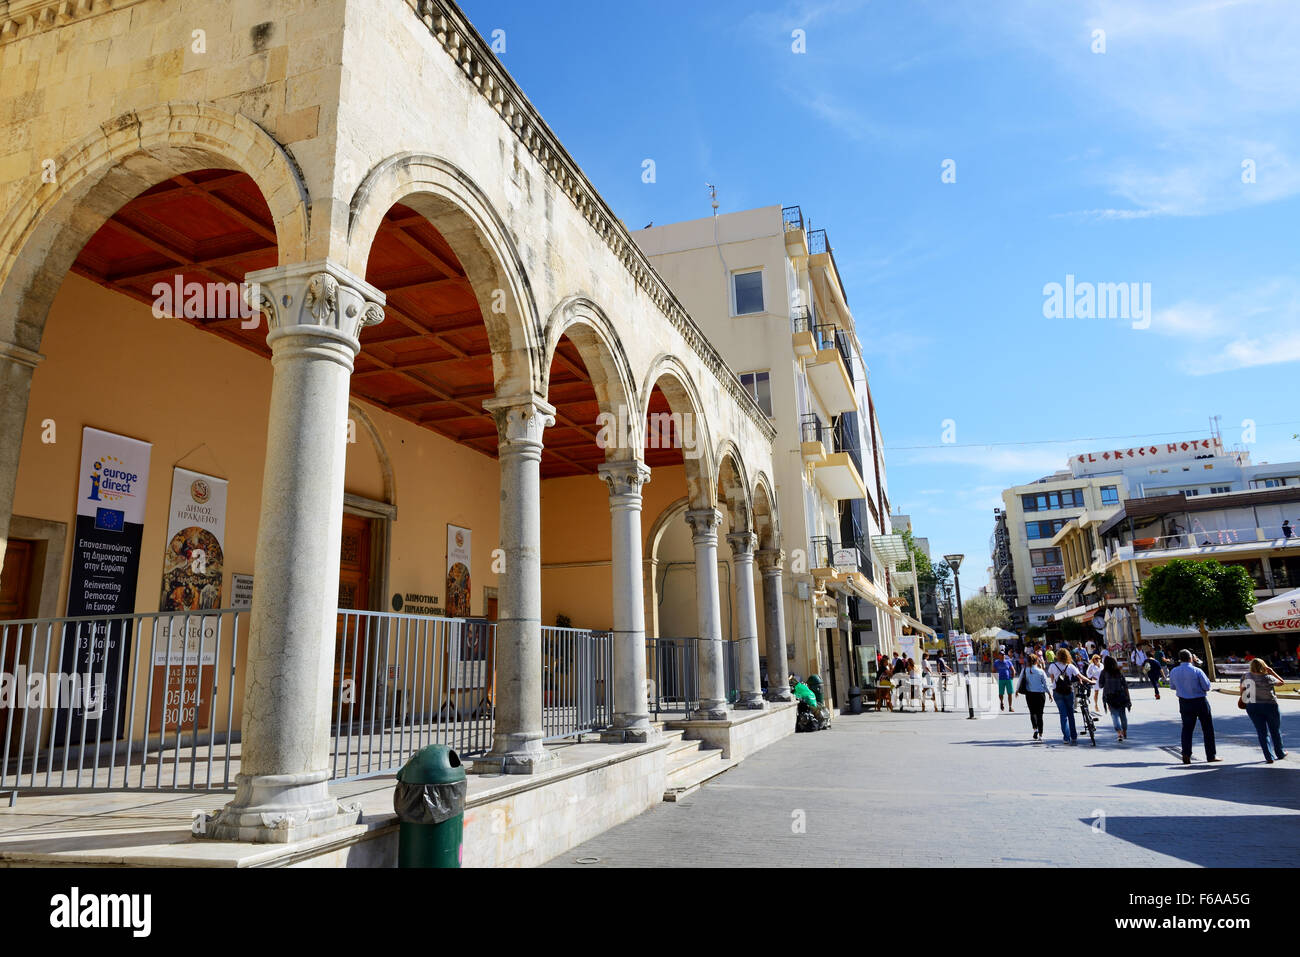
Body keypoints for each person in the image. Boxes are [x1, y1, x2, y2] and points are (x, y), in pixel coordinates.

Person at [1168, 649, 1218, 765]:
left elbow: (1172, 686)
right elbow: (1207, 686)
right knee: (1207, 729)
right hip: (1199, 701)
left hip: (1184, 702)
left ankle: (1186, 754)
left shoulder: (1174, 671)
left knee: (1187, 729)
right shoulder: (1197, 670)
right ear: (1191, 658)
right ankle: (1211, 755)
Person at [1241, 658, 1287, 763]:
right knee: (1275, 730)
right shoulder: (1268, 677)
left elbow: (1242, 691)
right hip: (1270, 705)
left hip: (1253, 706)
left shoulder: (1245, 676)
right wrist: (1271, 671)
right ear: (1263, 666)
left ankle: (1269, 757)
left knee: (1262, 732)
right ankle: (1280, 753)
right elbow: (1282, 682)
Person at [1047, 649, 1089, 745]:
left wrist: (1054, 684)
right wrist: (1090, 681)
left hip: (1057, 691)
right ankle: (1073, 736)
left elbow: (1052, 677)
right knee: (1071, 714)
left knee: (1063, 715)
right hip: (1068, 691)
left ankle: (1066, 737)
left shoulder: (1053, 666)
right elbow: (1080, 676)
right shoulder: (1070, 666)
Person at [1019, 653, 1050, 740]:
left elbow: (1020, 680)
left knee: (1032, 712)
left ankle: (1035, 729)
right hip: (1040, 694)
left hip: (1029, 694)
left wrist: (1017, 690)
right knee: (1040, 714)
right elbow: (1045, 684)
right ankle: (1040, 734)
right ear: (1037, 661)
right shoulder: (1041, 671)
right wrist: (1049, 693)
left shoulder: (1025, 670)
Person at [1100, 656, 1132, 741]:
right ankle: (1124, 731)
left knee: (1114, 715)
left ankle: (1119, 732)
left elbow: (1100, 685)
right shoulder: (1119, 672)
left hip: (1110, 697)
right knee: (1122, 714)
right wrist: (1128, 698)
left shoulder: (1104, 672)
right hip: (1121, 696)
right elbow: (1125, 686)